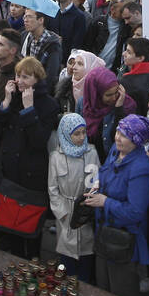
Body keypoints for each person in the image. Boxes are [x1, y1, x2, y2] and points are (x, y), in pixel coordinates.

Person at [0, 56, 59, 259]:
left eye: (26, 77)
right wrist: (5, 103)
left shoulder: (48, 105)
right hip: (10, 174)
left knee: (30, 230)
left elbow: (39, 141)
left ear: (37, 80)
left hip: (30, 178)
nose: (19, 80)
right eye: (18, 75)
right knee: (10, 230)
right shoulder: (13, 99)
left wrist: (29, 110)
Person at [84, 114, 149, 296]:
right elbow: (105, 170)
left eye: (124, 135)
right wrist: (98, 182)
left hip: (123, 240)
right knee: (102, 287)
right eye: (118, 132)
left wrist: (105, 202)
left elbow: (136, 212)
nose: (117, 137)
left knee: (120, 295)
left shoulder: (141, 168)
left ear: (136, 140)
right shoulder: (116, 150)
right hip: (104, 231)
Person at [49, 113, 100, 281]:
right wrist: (63, 214)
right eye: (76, 134)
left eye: (84, 133)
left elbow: (96, 180)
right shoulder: (56, 157)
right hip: (66, 212)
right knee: (67, 255)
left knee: (86, 253)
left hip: (85, 211)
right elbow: (53, 189)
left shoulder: (91, 152)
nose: (81, 137)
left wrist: (89, 205)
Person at [81, 64, 138, 160]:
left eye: (116, 92)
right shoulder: (85, 104)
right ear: (96, 94)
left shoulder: (127, 105)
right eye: (108, 95)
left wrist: (119, 108)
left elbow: (125, 137)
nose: (114, 97)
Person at [19, 8, 63, 94]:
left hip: (42, 91)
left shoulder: (53, 45)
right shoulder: (25, 37)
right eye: (24, 17)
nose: (25, 20)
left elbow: (50, 75)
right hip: (26, 88)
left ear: (41, 20)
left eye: (29, 17)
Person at [54, 48, 105, 116]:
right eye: (73, 63)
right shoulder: (64, 89)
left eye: (80, 64)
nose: (74, 67)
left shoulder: (102, 95)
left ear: (91, 68)